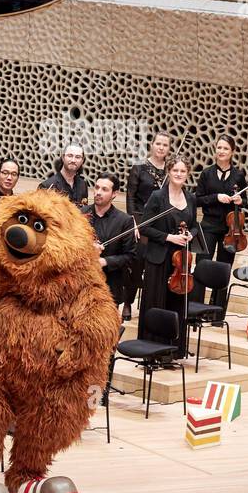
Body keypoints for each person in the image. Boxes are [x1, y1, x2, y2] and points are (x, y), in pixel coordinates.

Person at [137, 154, 197, 358]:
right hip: (159, 259)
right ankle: (151, 350)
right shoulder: (157, 197)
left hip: (180, 261)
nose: (179, 174)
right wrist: (169, 237)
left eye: (183, 171)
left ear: (187, 174)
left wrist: (190, 234)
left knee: (175, 304)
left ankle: (172, 351)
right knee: (156, 302)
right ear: (169, 172)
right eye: (175, 170)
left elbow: (195, 226)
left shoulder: (190, 198)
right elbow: (145, 227)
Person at [123, 130, 171, 320]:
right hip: (140, 220)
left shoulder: (170, 170)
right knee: (137, 263)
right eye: (158, 143)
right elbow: (130, 197)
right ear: (152, 144)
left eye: (165, 145)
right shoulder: (139, 168)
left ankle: (151, 307)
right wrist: (133, 222)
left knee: (156, 265)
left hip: (161, 223)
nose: (161, 148)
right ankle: (128, 303)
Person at [194, 133, 246, 308]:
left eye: (226, 148)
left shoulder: (238, 175)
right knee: (202, 265)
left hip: (230, 230)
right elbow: (197, 199)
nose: (221, 151)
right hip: (208, 225)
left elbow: (245, 201)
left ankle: (217, 311)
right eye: (219, 147)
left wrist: (240, 201)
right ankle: (195, 307)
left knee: (224, 268)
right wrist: (216, 197)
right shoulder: (206, 174)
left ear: (232, 152)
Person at [82, 173, 136, 307]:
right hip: (80, 282)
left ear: (114, 194)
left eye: (104, 189)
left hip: (109, 285)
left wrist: (104, 261)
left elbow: (130, 256)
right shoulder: (80, 214)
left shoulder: (124, 221)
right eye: (97, 187)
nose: (98, 192)